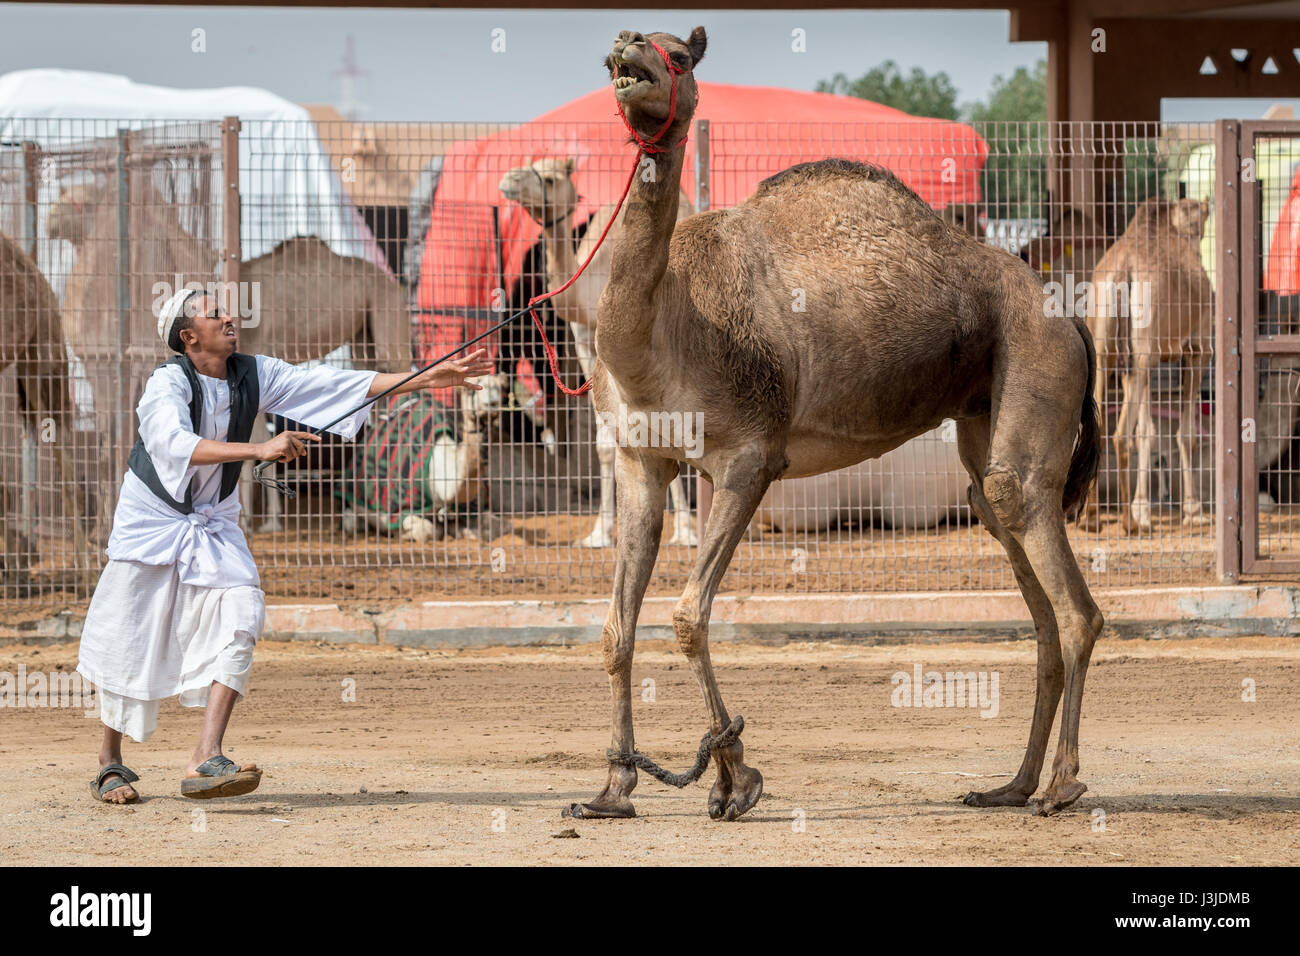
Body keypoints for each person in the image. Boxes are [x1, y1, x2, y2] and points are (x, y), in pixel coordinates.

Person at [77, 287, 492, 803]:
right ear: (188, 337)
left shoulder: (253, 372)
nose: (230, 316)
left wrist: (422, 377)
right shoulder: (166, 384)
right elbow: (173, 445)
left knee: (244, 611)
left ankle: (206, 754)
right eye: (214, 314)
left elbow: (328, 383)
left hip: (214, 518)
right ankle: (109, 761)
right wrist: (260, 448)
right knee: (130, 633)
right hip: (152, 519)